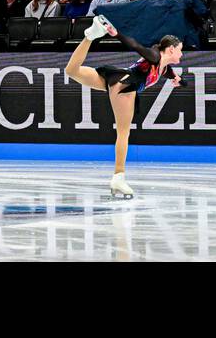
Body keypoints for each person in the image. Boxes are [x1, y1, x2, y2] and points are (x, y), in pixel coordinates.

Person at [64, 13, 184, 199]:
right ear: (170, 50)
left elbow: (168, 73)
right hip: (125, 87)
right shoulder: (154, 56)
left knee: (71, 71)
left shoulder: (165, 67)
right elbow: (135, 46)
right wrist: (116, 33)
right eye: (180, 50)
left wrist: (178, 79)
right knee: (123, 132)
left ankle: (90, 36)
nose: (182, 54)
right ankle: (118, 177)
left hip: (117, 78)